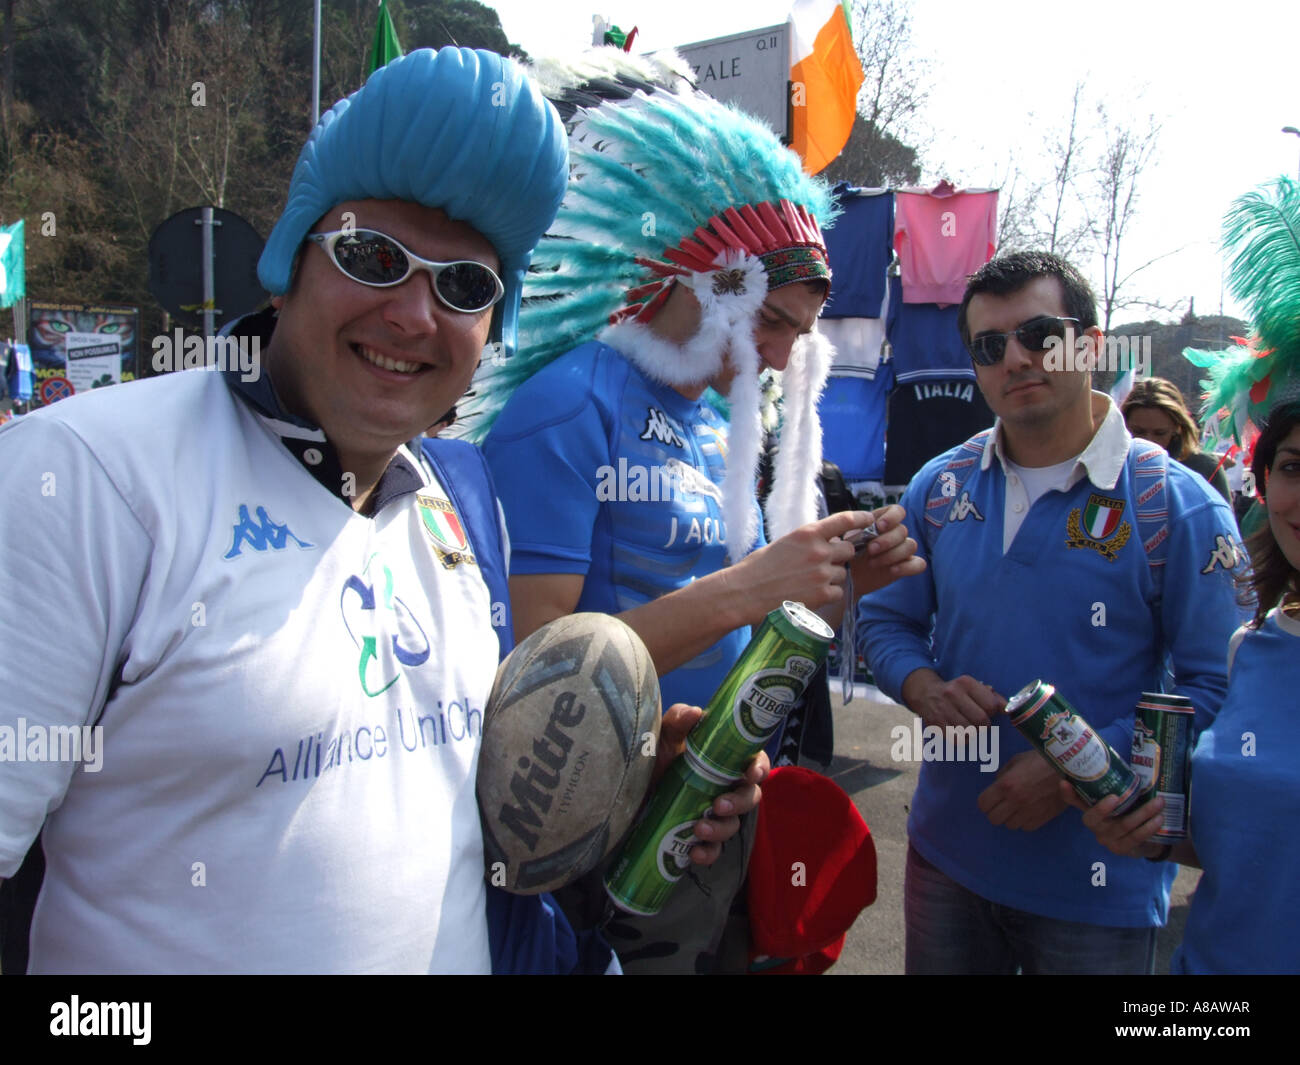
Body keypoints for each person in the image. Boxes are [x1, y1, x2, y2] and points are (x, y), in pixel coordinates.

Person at [0, 47, 759, 975]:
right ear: (288, 264)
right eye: (372, 255)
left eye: (466, 285)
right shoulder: (85, 476)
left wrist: (613, 792)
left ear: (494, 326)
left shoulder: (466, 498)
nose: (413, 314)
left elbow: (458, 831)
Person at [472, 51, 923, 973]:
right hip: (594, 828)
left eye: (797, 336)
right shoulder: (568, 404)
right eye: (771, 324)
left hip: (714, 797)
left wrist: (830, 587)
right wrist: (755, 580)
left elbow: (737, 618)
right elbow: (532, 677)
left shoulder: (715, 425)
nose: (776, 356)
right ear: (709, 280)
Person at [857, 250, 1246, 975]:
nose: (1017, 359)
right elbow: (886, 622)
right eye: (990, 345)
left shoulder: (1181, 507)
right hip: (946, 859)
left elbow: (1218, 688)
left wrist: (1075, 770)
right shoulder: (938, 488)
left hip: (1100, 889)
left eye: (1041, 334)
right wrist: (922, 687)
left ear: (1091, 345)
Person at [1071, 399, 1300, 973]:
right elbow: (1250, 835)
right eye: (1295, 467)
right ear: (1266, 481)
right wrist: (1152, 835)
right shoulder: (1251, 644)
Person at [1122, 376, 1231, 502]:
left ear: (1177, 428)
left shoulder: (1205, 468)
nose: (1148, 441)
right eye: (1138, 431)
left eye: (1160, 433)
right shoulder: (1108, 466)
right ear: (1124, 425)